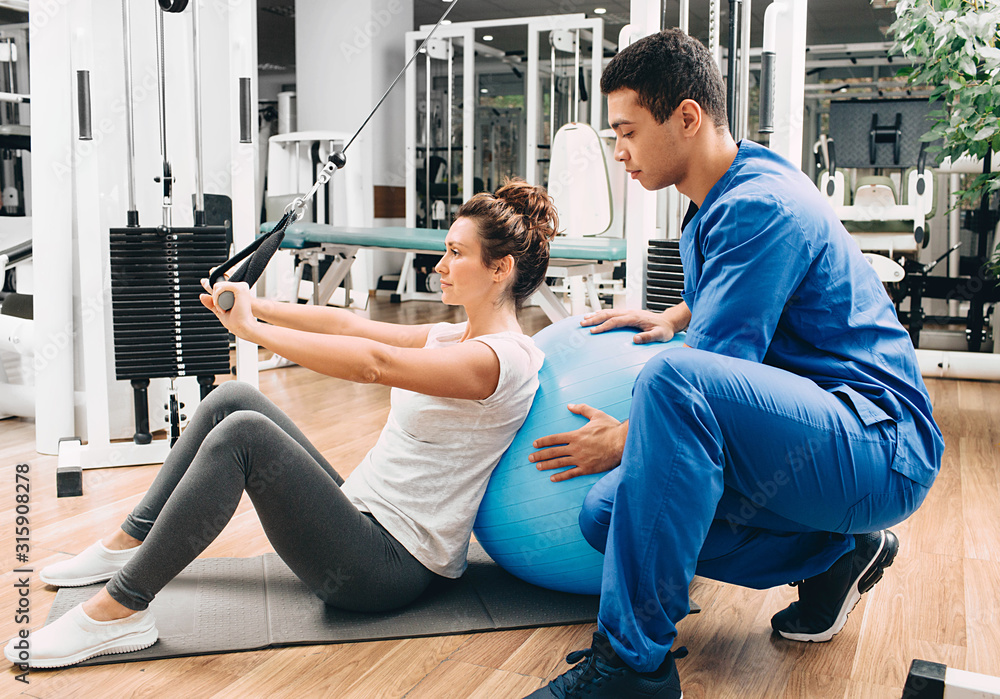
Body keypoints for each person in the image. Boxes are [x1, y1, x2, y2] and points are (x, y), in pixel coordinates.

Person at [526, 30, 944, 698]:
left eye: (628, 131)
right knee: (608, 511)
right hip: (826, 436)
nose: (620, 152)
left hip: (881, 443)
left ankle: (632, 668)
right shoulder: (724, 193)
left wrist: (624, 438)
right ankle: (839, 552)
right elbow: (748, 289)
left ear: (687, 118)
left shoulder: (757, 204)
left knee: (671, 381)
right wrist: (677, 312)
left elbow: (705, 386)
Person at [5, 178, 557, 669]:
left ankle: (121, 609)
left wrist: (253, 333)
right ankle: (130, 540)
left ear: (499, 269)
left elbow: (373, 365)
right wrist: (254, 304)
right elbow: (348, 325)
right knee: (235, 399)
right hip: (359, 516)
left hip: (387, 567)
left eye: (455, 254)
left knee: (244, 436)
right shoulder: (453, 336)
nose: (438, 266)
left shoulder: (500, 359)